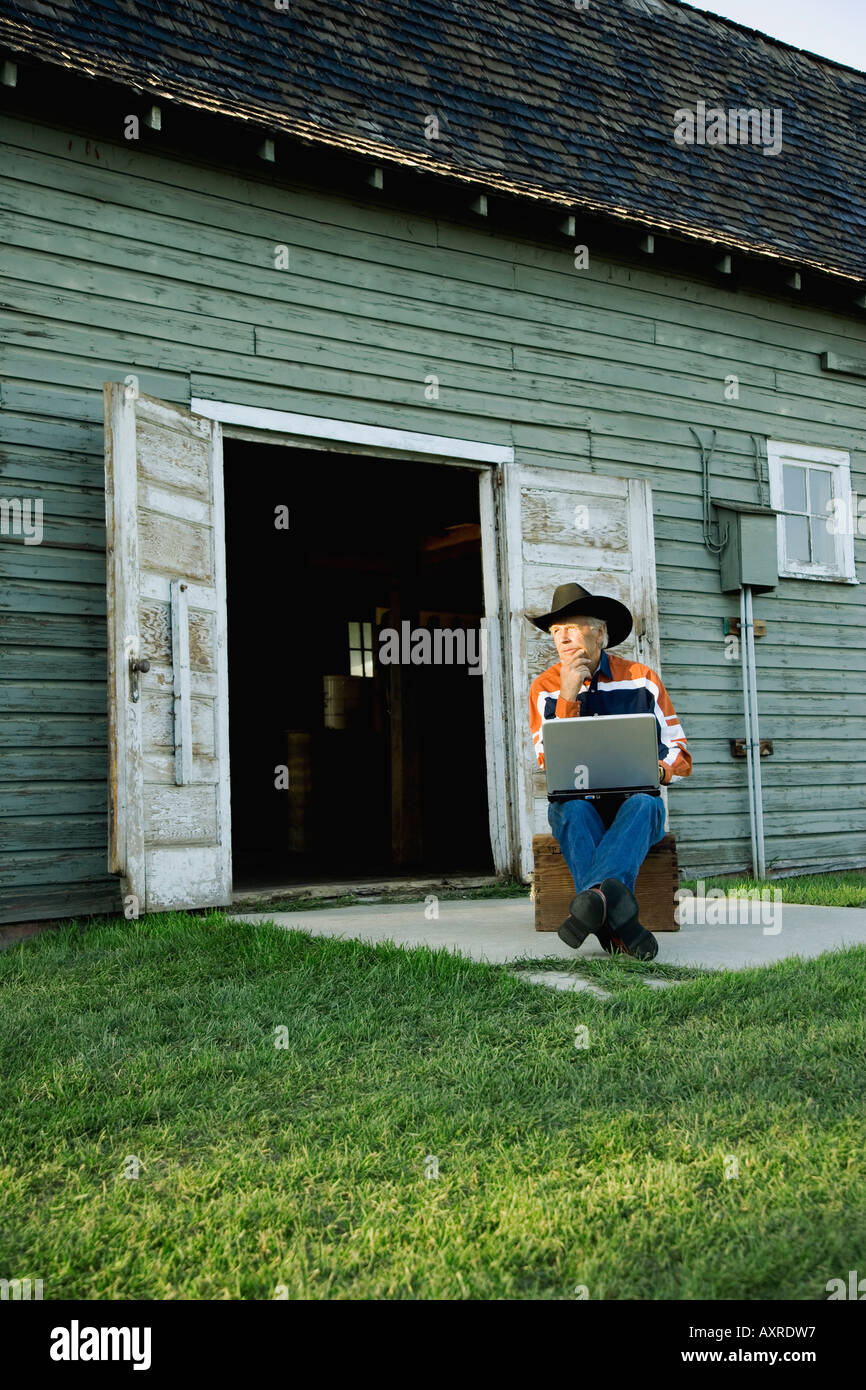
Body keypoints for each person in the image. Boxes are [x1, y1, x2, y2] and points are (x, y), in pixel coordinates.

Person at [528, 583, 692, 960]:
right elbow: (548, 763)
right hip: (578, 805)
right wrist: (567, 697)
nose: (563, 638)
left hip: (632, 808)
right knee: (572, 810)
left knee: (646, 805)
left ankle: (594, 904)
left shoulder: (641, 678)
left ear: (600, 632)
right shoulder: (544, 688)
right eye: (556, 631)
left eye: (572, 627)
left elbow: (681, 755)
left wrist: (659, 770)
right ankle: (619, 920)